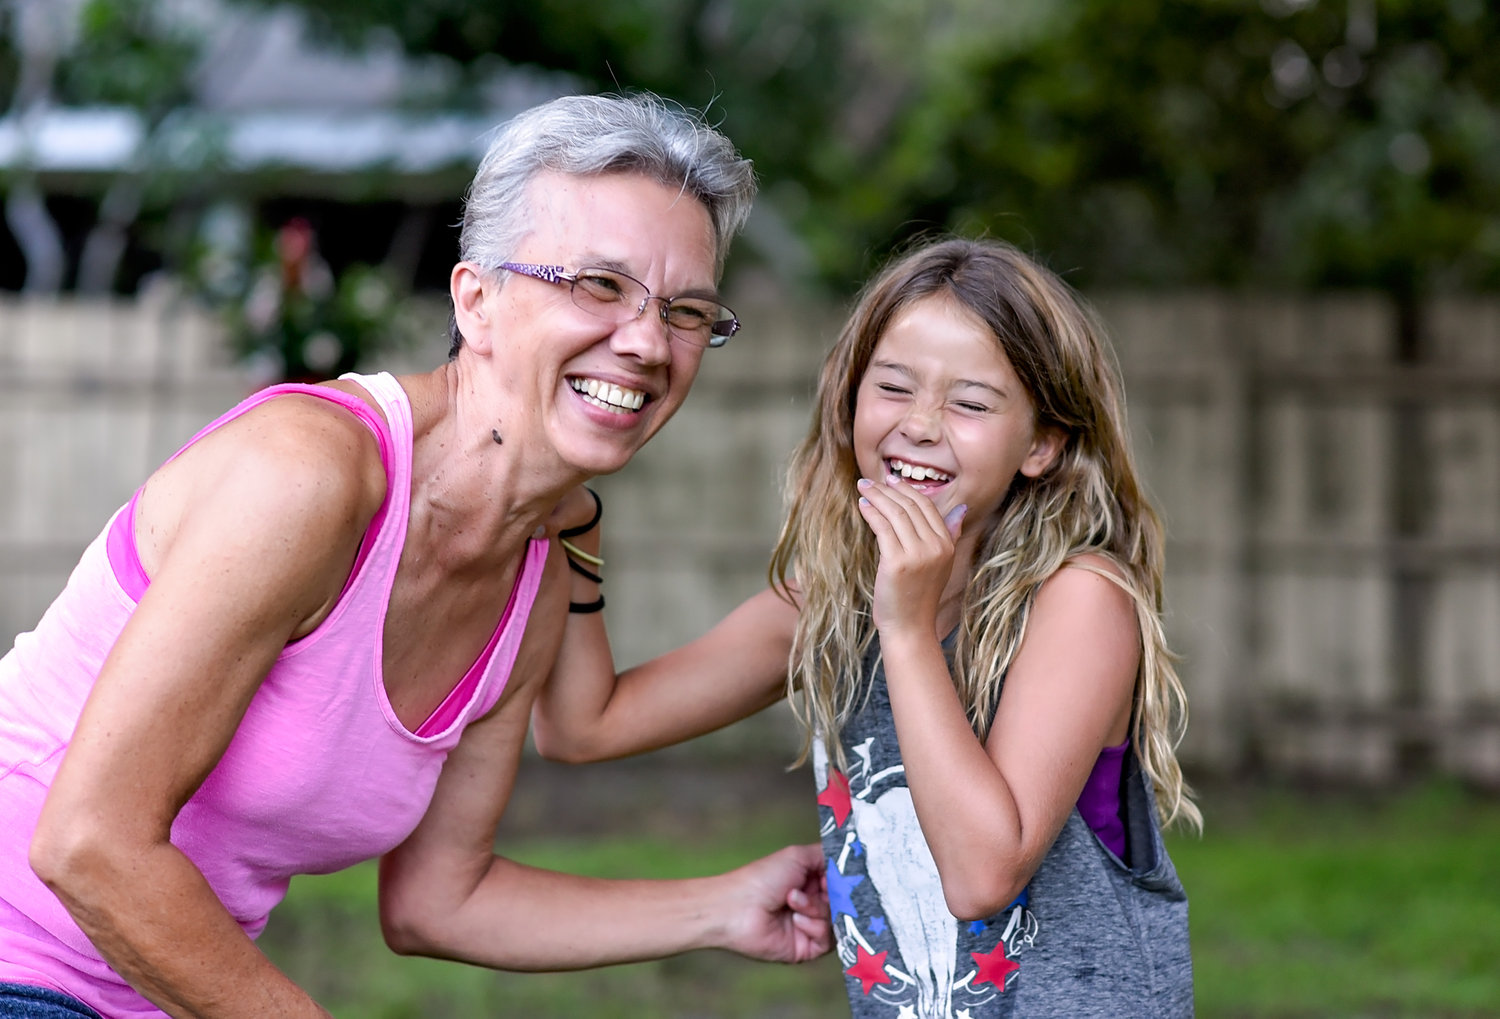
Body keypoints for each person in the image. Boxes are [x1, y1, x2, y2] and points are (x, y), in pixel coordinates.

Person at [0, 91, 830, 1019]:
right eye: (599, 285)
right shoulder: (310, 476)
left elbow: (442, 897)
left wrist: (721, 905)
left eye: (685, 310)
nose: (645, 341)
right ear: (476, 299)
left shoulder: (536, 582)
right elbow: (88, 842)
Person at [533, 237, 1202, 1017]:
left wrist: (908, 630)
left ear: (1043, 444)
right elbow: (582, 725)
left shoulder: (1081, 599)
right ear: (850, 402)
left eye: (972, 403)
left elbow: (983, 875)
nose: (920, 425)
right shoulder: (827, 604)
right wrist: (574, 527)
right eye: (893, 387)